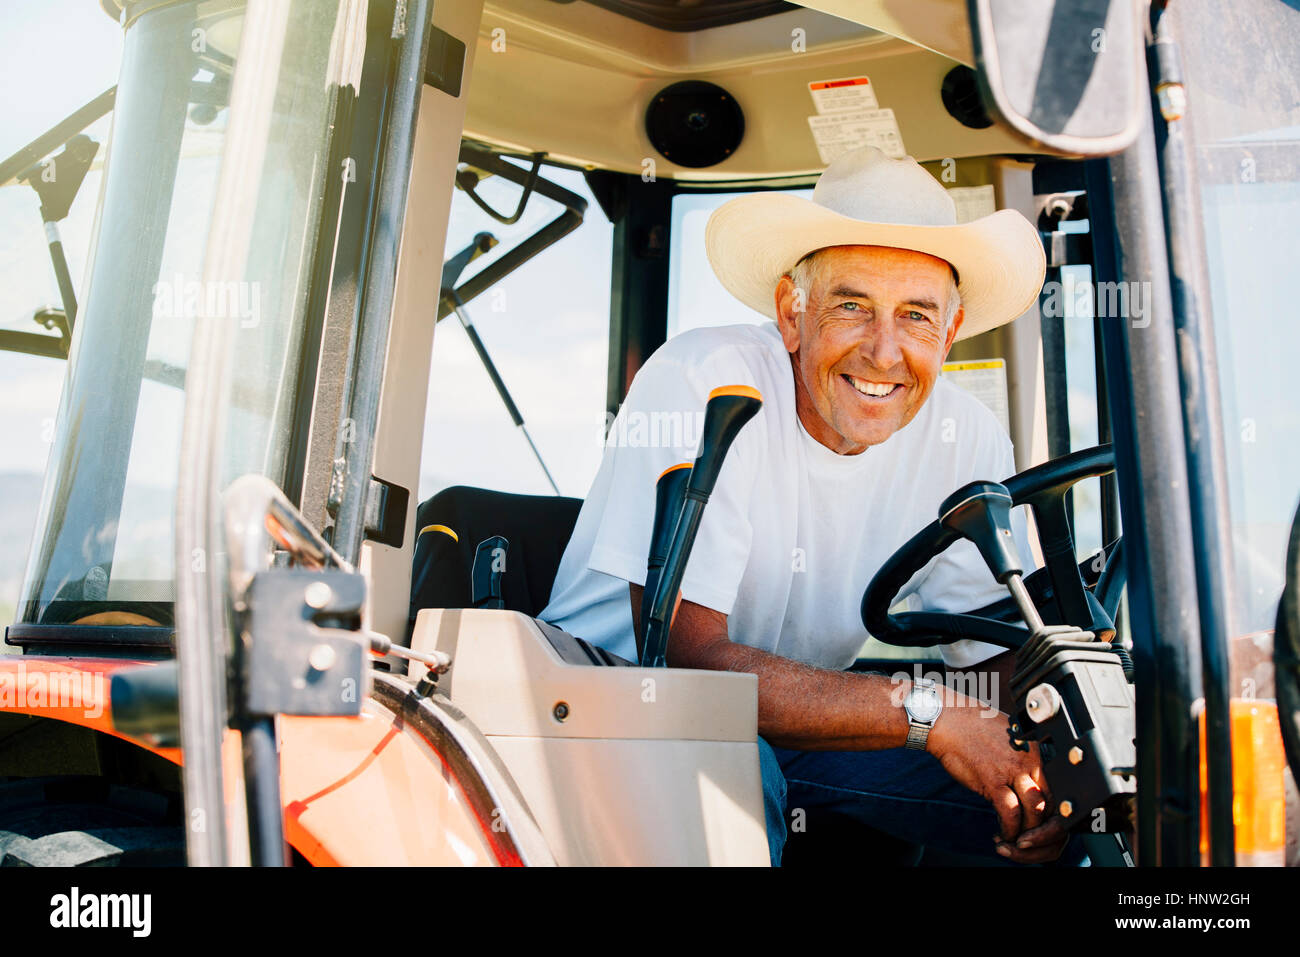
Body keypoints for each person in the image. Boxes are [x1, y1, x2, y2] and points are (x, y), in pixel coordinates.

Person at [541, 146, 1070, 865]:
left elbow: (995, 654)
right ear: (793, 313)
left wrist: (1052, 736)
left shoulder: (964, 435)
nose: (885, 353)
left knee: (1059, 796)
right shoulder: (708, 385)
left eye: (916, 316)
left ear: (949, 333)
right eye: (853, 305)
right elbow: (692, 665)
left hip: (798, 723)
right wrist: (932, 711)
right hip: (608, 711)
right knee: (735, 762)